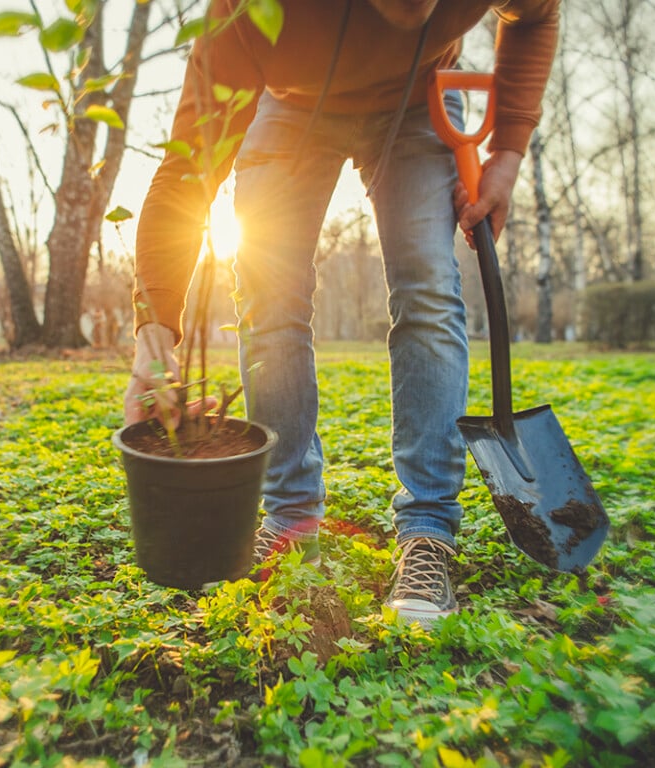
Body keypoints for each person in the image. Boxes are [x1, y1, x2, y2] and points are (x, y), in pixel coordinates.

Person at [124, 0, 561, 627]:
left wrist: (510, 154)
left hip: (420, 102)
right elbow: (189, 164)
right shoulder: (250, 9)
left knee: (429, 291)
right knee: (270, 296)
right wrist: (154, 332)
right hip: (288, 104)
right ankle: (292, 517)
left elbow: (536, 16)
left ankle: (428, 531)